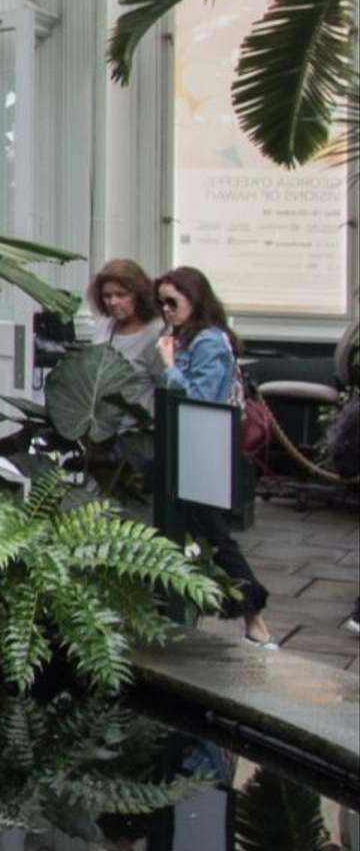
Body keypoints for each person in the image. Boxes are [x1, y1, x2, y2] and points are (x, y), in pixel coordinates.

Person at [156, 265, 273, 647]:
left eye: (173, 302)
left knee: (216, 536)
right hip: (187, 446)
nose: (167, 311)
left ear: (195, 299)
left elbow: (200, 398)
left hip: (205, 449)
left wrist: (170, 366)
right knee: (204, 533)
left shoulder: (207, 341)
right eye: (162, 304)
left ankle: (254, 613)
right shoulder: (185, 336)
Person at [91, 259, 168, 410]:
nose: (113, 302)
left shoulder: (157, 333)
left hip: (140, 427)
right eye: (107, 296)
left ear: (138, 295)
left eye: (121, 295)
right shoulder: (103, 328)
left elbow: (166, 387)